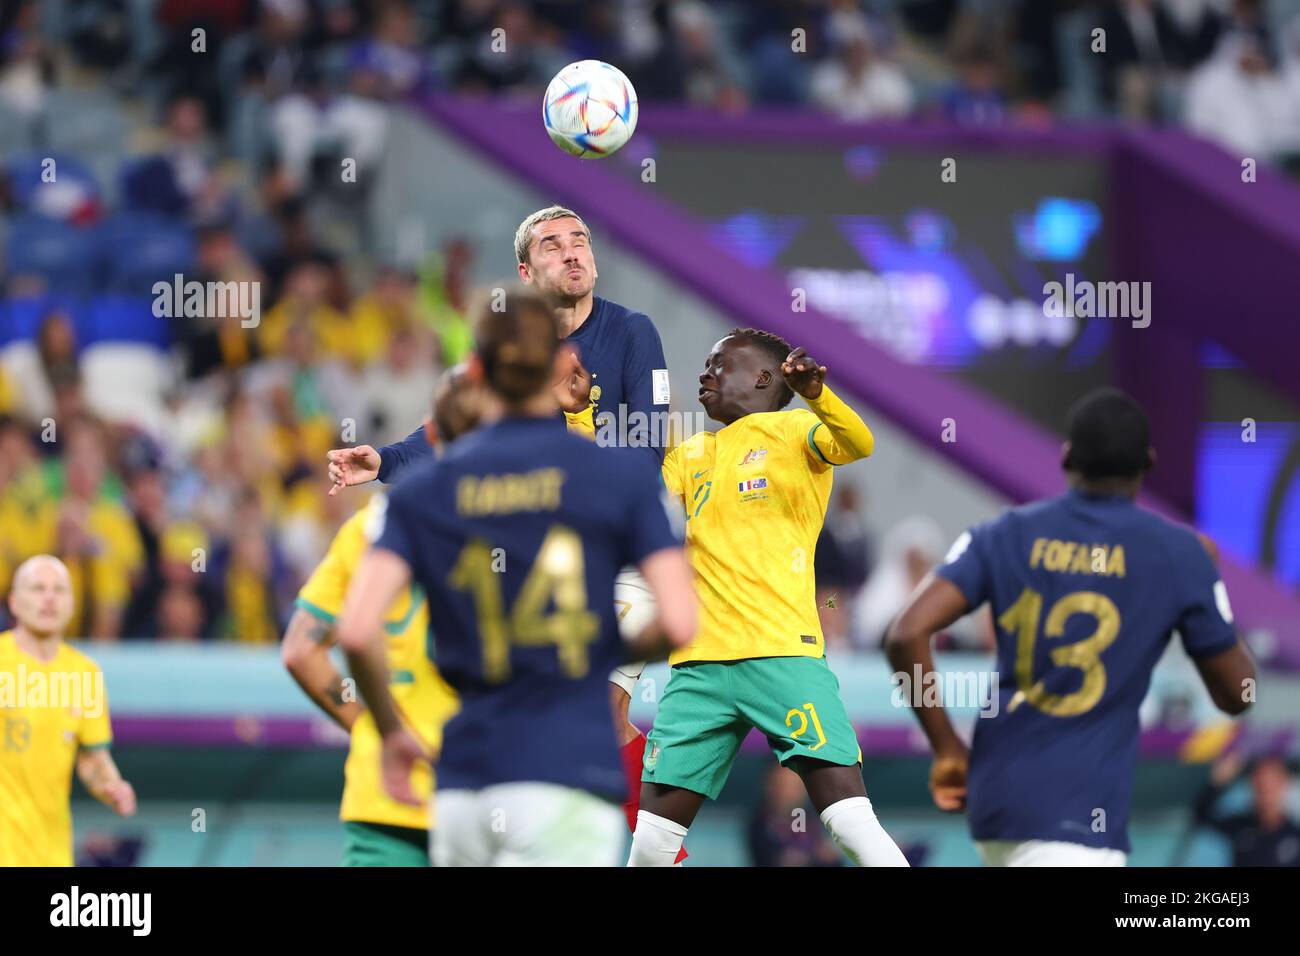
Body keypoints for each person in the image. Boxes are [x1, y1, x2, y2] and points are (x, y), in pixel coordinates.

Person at [324, 204, 673, 842]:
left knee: (597, 700)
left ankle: (648, 851)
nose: (572, 253)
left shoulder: (632, 333)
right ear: (525, 268)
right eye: (552, 244)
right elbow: (460, 424)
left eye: (580, 241)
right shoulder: (519, 350)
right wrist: (386, 461)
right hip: (532, 544)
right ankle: (636, 841)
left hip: (608, 551)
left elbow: (647, 453)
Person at [886, 387, 1256, 866]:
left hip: (997, 808)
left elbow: (905, 633)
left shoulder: (1003, 533)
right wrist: (1208, 589)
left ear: (1066, 458)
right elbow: (1239, 694)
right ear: (1148, 462)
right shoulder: (1179, 553)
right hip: (1081, 820)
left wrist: (948, 748)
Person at [629, 328, 909, 867]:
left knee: (850, 825)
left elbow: (859, 444)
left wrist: (816, 395)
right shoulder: (693, 453)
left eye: (718, 364)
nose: (705, 374)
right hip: (699, 670)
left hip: (782, 655)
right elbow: (626, 493)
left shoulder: (796, 429)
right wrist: (575, 418)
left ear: (763, 377)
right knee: (649, 847)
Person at [280, 370, 478, 866]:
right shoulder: (526, 525)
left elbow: (301, 650)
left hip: (384, 796)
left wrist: (373, 727)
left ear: (430, 435)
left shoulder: (369, 527)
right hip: (484, 794)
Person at [0, 555, 136, 866]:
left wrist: (112, 787)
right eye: (37, 588)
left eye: (59, 590)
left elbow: (92, 760)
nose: (49, 598)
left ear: (72, 604)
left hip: (52, 853)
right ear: (14, 603)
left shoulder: (83, 673)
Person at [1193, 751, 1300, 866]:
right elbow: (1201, 816)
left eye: (1271, 786)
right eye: (1261, 786)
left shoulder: (1295, 835)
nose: (1266, 793)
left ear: (1284, 784)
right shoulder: (1240, 826)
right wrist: (1217, 783)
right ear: (1253, 785)